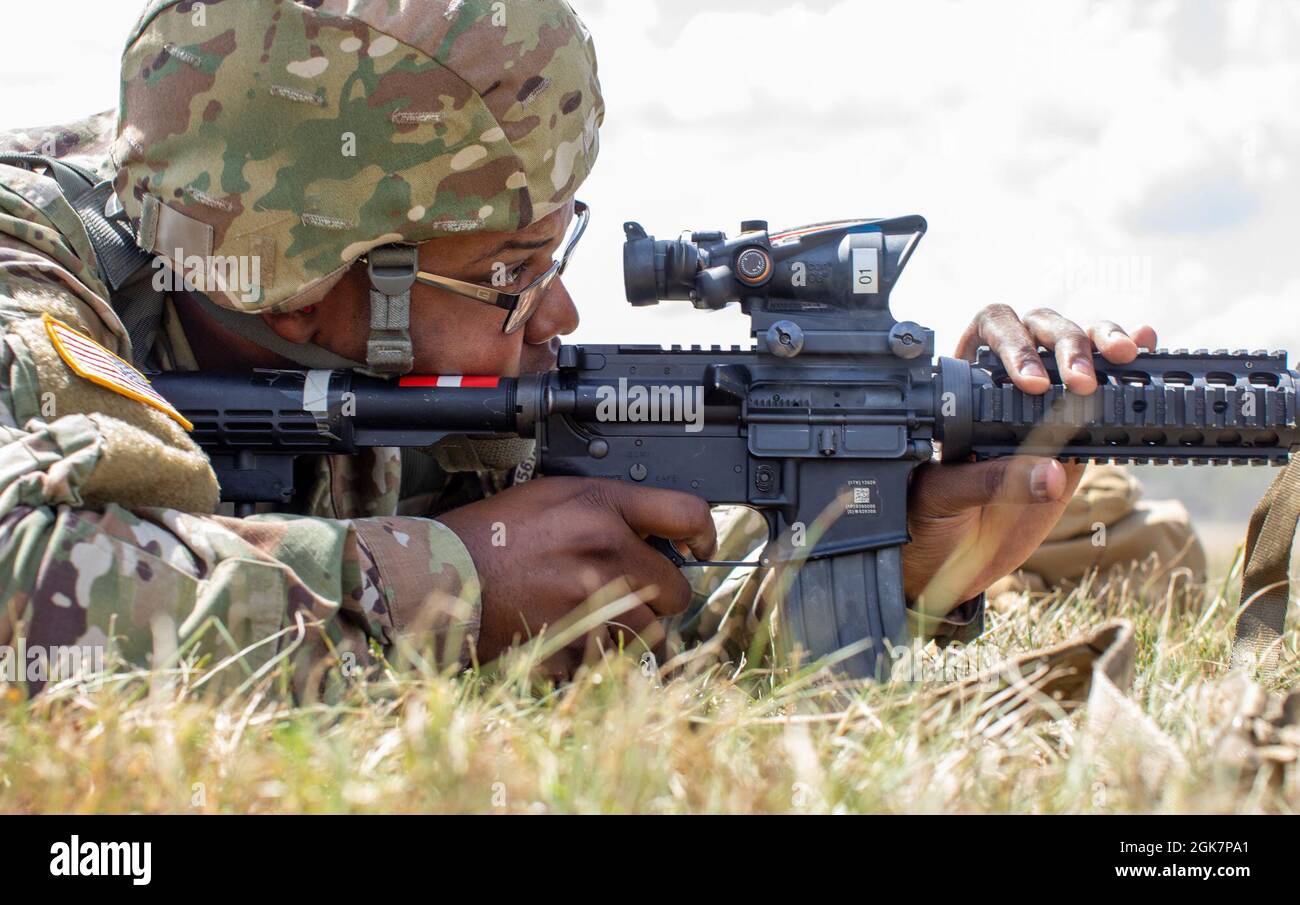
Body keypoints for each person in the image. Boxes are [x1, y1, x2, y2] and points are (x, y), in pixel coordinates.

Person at [0, 0, 1176, 696]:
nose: (555, 317)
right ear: (304, 283)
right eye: (513, 273)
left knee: (1119, 524)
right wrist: (434, 586)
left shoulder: (413, 352)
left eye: (560, 256)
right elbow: (31, 588)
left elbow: (625, 623)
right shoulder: (30, 269)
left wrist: (890, 565)